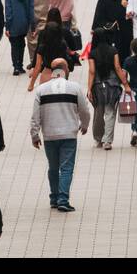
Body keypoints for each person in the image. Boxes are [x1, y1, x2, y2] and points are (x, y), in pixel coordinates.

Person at [30, 59, 90, 213]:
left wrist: (35, 134)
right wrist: (84, 125)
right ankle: (63, 199)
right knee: (66, 168)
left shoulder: (41, 89)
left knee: (53, 167)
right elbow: (84, 110)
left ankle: (54, 198)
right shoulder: (74, 88)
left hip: (49, 134)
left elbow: (35, 115)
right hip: (69, 134)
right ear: (65, 70)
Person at [86, 25, 132, 150]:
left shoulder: (92, 53)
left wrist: (89, 89)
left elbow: (91, 71)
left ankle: (98, 139)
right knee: (110, 112)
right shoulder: (113, 50)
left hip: (98, 86)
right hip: (112, 86)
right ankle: (108, 141)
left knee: (98, 113)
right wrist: (126, 85)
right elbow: (117, 68)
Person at [4, 0, 37, 75]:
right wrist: (33, 27)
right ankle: (21, 65)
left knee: (14, 45)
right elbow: (31, 12)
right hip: (24, 24)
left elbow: (8, 13)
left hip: (13, 24)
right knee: (22, 43)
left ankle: (16, 67)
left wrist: (7, 27)